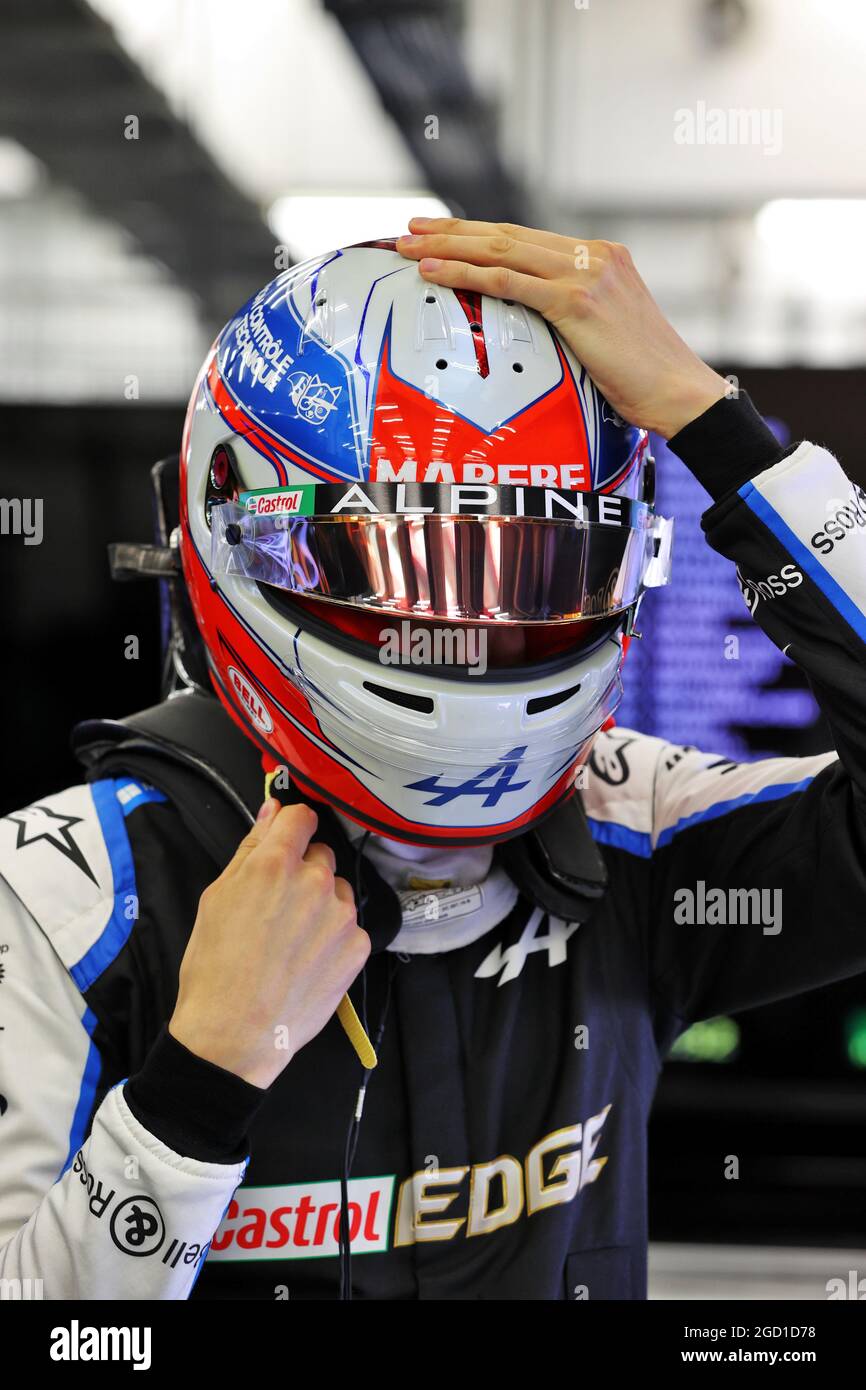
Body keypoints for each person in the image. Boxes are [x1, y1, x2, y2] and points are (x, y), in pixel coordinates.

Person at [1, 218, 864, 1301]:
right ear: (234, 524)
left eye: (537, 568)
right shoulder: (62, 896)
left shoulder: (633, 825)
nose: (474, 631)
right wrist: (194, 1089)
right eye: (396, 560)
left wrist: (714, 424)